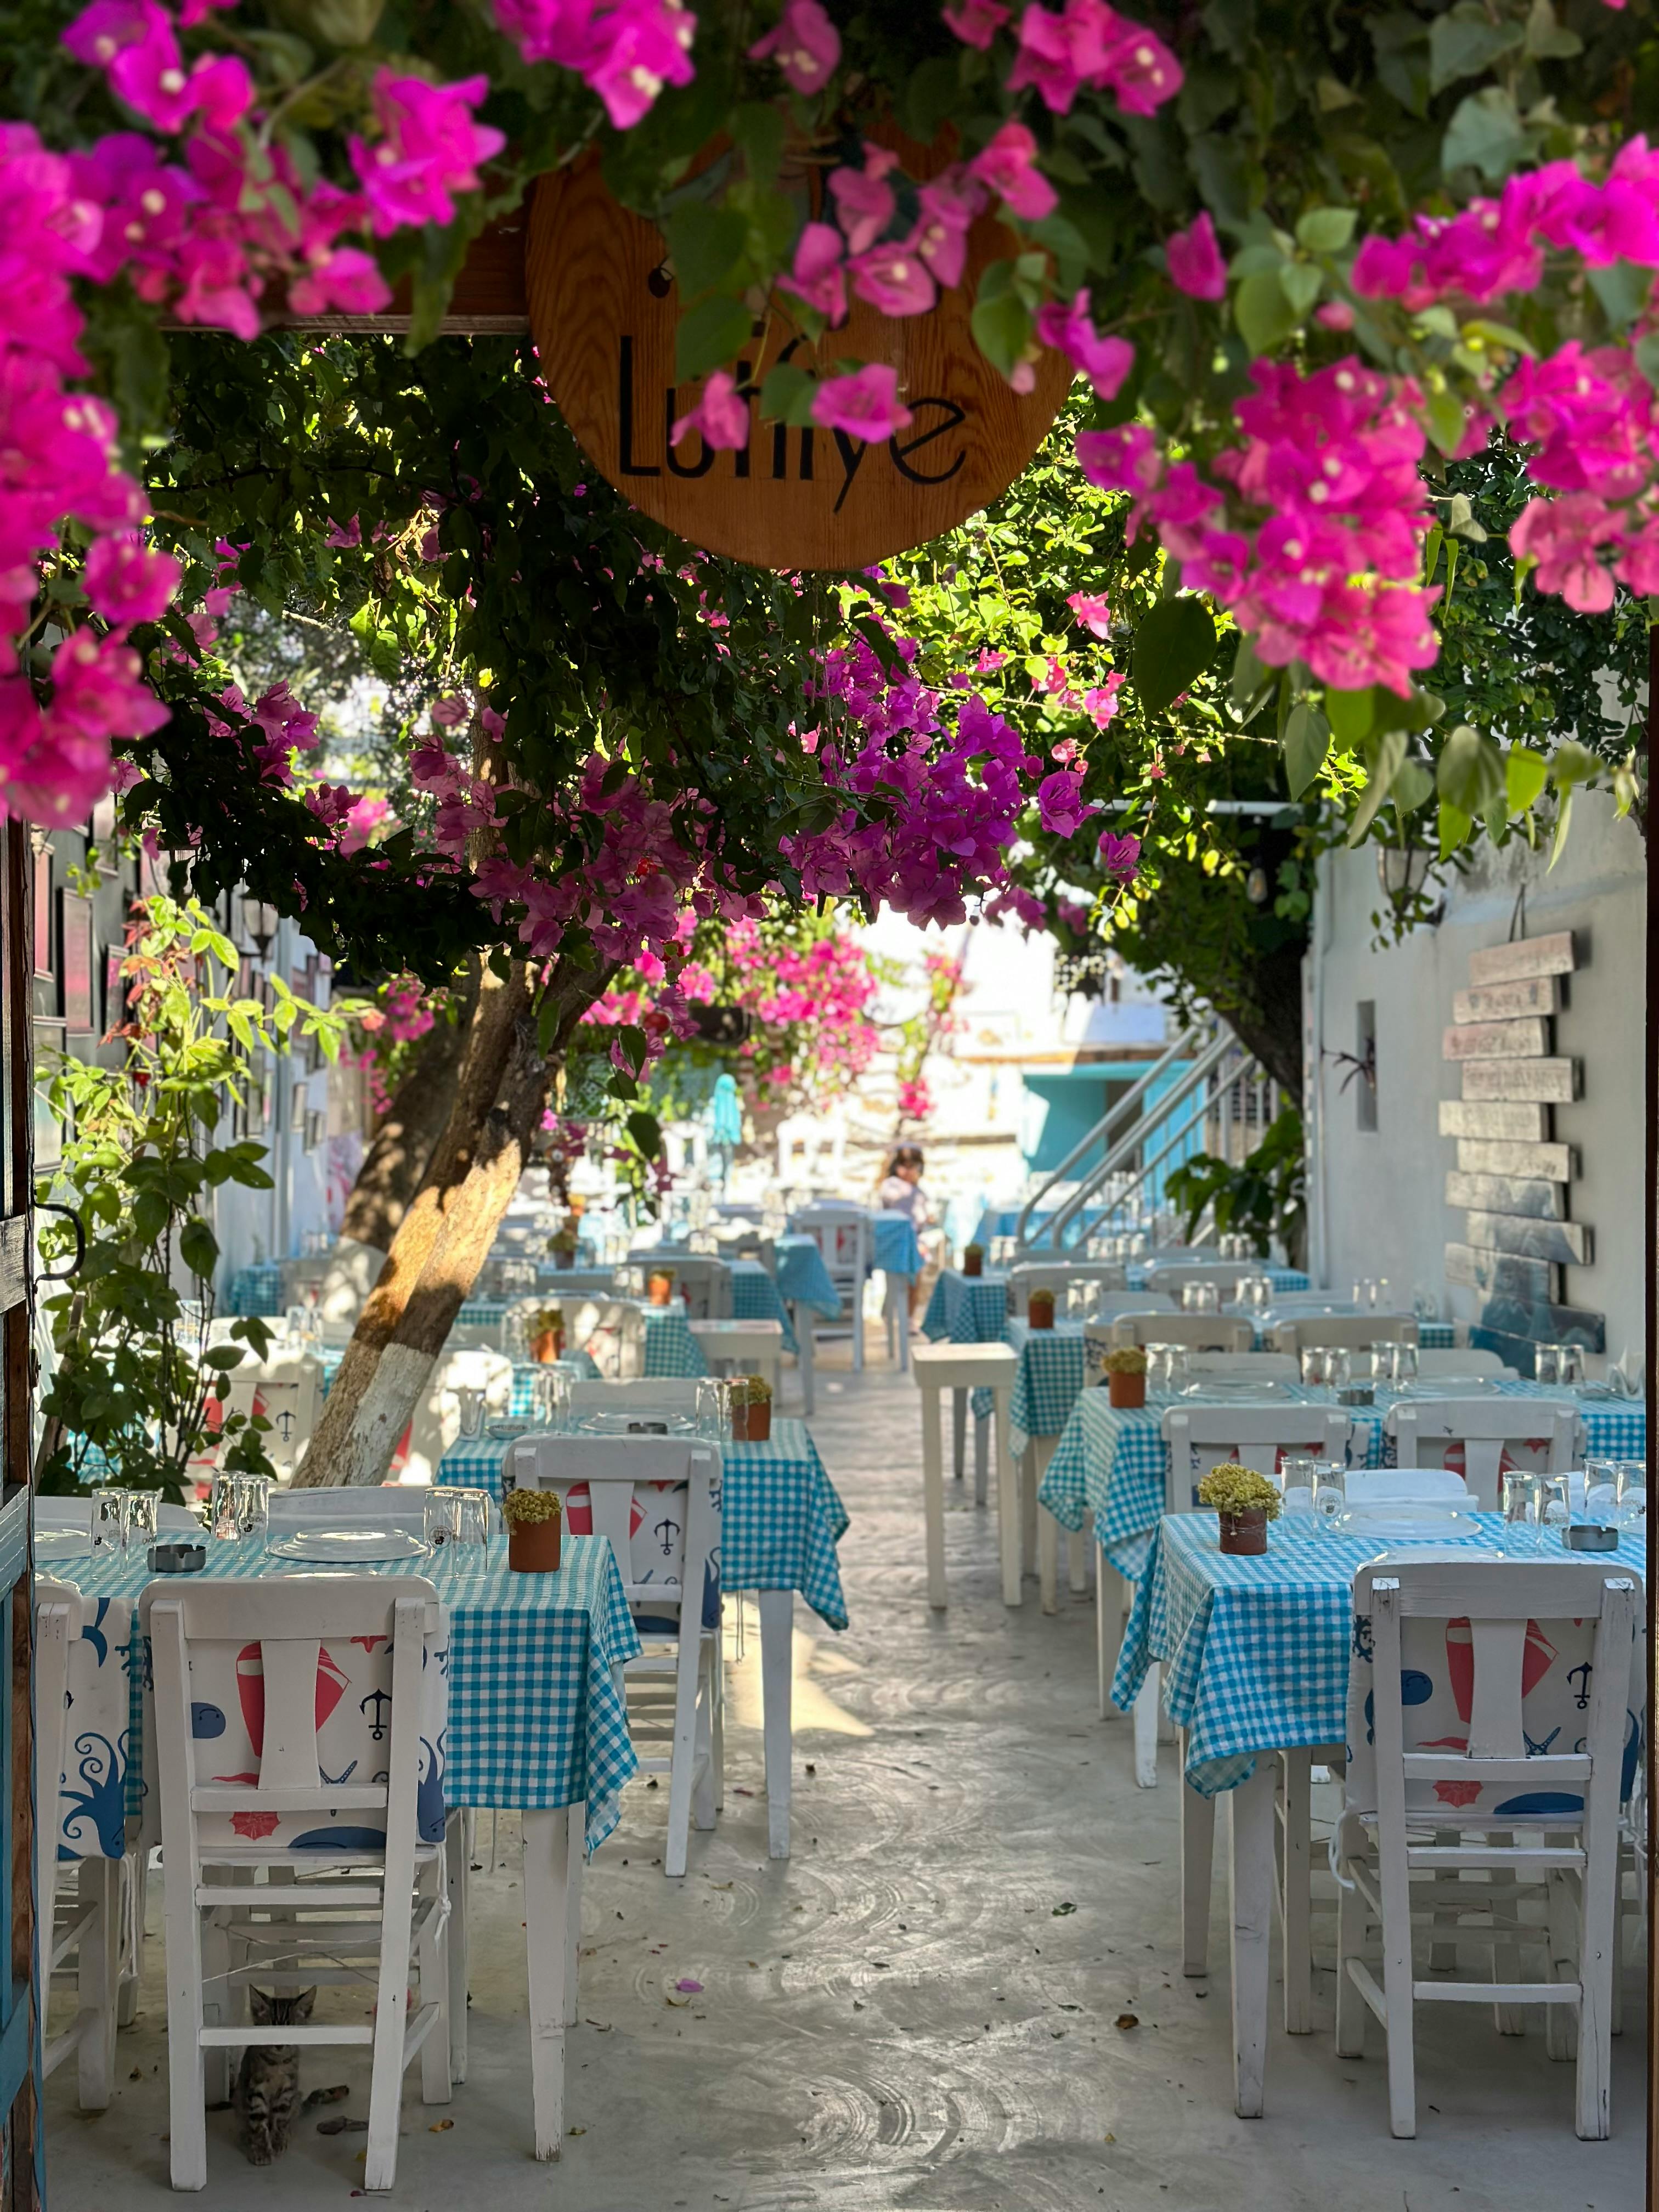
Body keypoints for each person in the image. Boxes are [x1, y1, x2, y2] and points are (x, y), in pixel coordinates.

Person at [877, 1146, 930, 1324]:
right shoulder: (891, 1186)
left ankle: (909, 1317)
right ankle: (889, 1312)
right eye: (904, 1166)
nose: (908, 1171)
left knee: (915, 1279)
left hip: (915, 1241)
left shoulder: (919, 1192)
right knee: (894, 1283)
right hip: (894, 1243)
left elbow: (922, 1219)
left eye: (913, 1166)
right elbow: (894, 1200)